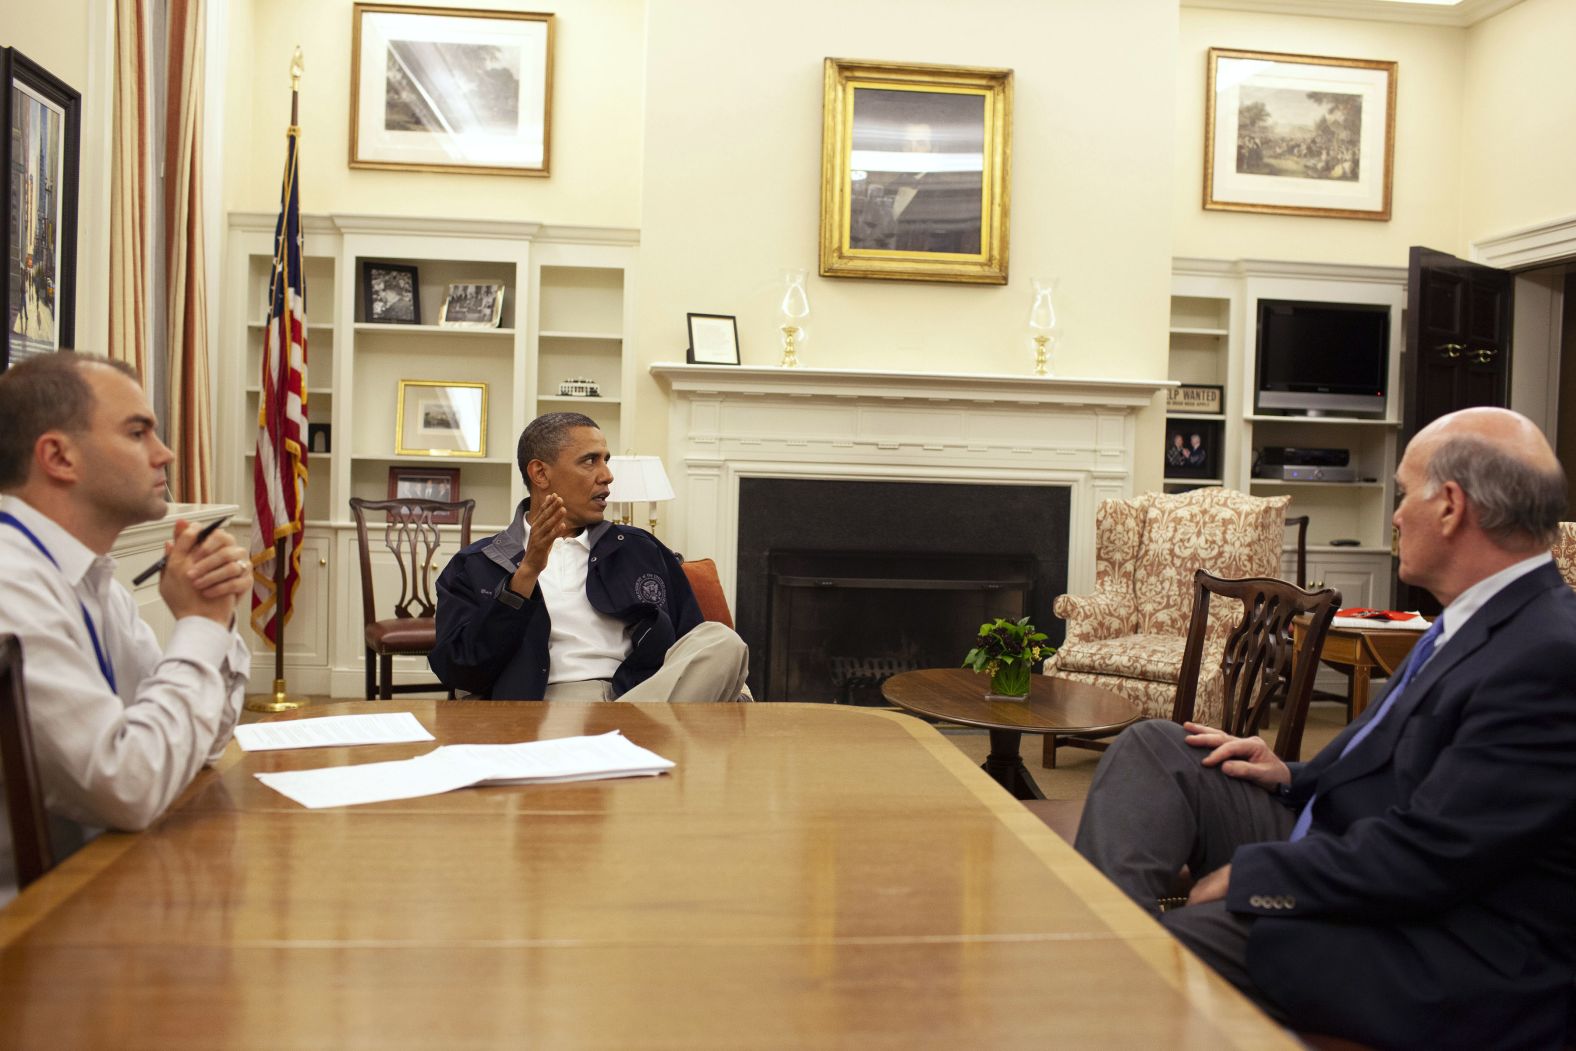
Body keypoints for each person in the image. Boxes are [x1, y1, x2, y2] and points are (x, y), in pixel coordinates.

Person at [1075, 406, 1576, 1049]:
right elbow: (1395, 757)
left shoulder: (1546, 655)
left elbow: (1438, 857)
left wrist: (1262, 877)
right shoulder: (1471, 618)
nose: (1394, 517)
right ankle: (1099, 946)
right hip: (1342, 834)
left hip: (1427, 932)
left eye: (1402, 494)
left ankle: (1104, 976)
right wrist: (1292, 773)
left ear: (1450, 507)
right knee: (1158, 745)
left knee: (1171, 952)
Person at [0, 353, 253, 904]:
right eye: (138, 432)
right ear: (59, 456)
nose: (165, 454)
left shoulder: (94, 580)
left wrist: (215, 614)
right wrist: (202, 625)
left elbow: (199, 743)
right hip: (29, 933)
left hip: (95, 885)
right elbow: (130, 785)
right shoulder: (10, 585)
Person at [429, 411, 748, 702]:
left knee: (722, 640)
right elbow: (459, 670)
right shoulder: (476, 564)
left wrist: (735, 689)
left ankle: (621, 740)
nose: (607, 475)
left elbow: (691, 641)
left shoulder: (640, 549)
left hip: (644, 694)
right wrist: (525, 575)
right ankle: (628, 742)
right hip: (550, 704)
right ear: (540, 473)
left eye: (606, 460)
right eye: (589, 461)